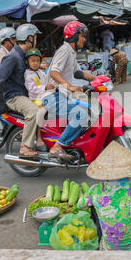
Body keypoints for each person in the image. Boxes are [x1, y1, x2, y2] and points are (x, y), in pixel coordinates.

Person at [43, 21, 96, 161]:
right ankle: (57, 147)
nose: (84, 39)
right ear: (74, 36)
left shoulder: (71, 52)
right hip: (53, 96)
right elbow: (54, 72)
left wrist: (99, 78)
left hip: (61, 95)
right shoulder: (64, 50)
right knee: (81, 115)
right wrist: (70, 87)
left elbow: (79, 73)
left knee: (89, 111)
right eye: (82, 36)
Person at [0, 23, 42, 158]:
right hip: (14, 97)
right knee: (34, 112)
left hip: (21, 94)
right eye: (35, 36)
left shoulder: (21, 55)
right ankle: (25, 147)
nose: (36, 39)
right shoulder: (13, 57)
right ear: (29, 37)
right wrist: (1, 104)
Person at [24, 48, 55, 151]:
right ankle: (38, 136)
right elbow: (32, 89)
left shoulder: (40, 72)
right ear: (27, 62)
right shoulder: (28, 74)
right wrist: (45, 87)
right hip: (35, 99)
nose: (35, 63)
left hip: (44, 96)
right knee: (42, 111)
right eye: (33, 61)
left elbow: (47, 79)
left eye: (37, 61)